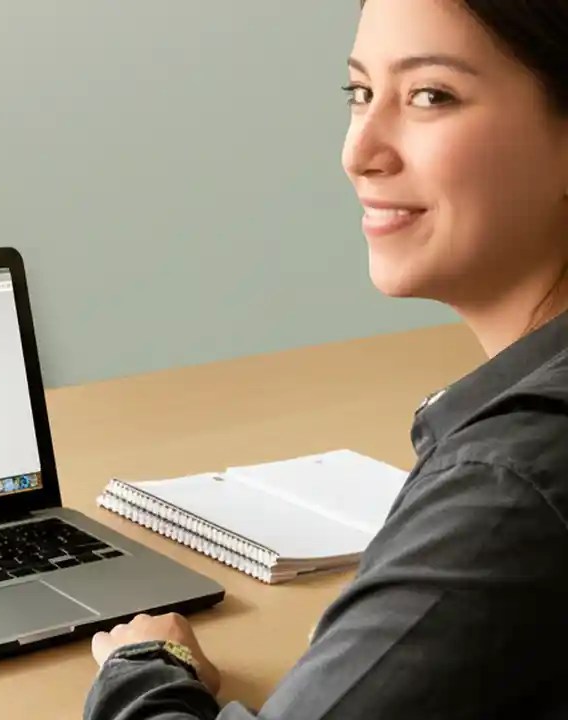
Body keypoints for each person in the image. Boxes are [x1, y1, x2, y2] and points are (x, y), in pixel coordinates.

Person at [83, 0, 568, 718]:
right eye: (361, 93)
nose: (359, 151)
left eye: (431, 96)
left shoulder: (510, 482)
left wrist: (145, 670)